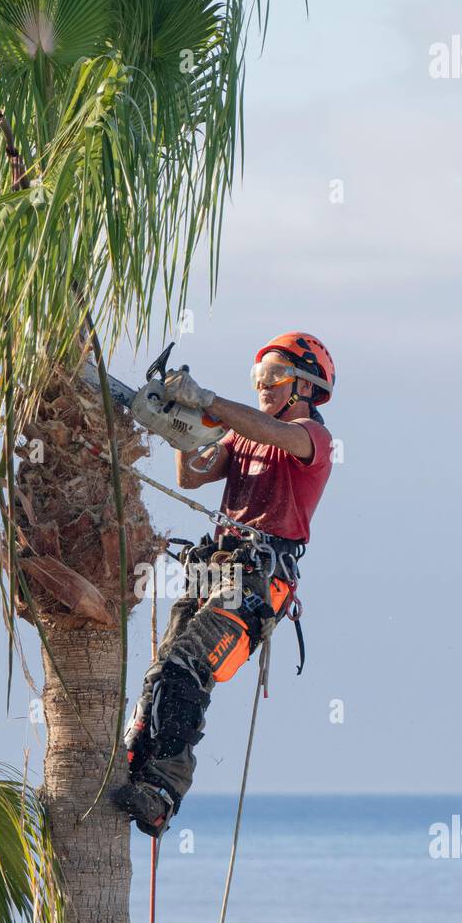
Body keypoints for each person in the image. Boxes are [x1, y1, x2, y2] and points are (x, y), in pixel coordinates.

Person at [110, 332, 336, 837]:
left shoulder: (312, 440)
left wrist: (208, 402)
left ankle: (164, 790)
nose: (263, 387)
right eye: (258, 380)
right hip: (213, 568)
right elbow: (193, 476)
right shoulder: (243, 436)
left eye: (273, 378)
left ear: (304, 386)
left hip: (258, 579)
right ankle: (136, 758)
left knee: (190, 667)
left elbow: (269, 431)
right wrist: (180, 431)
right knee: (161, 672)